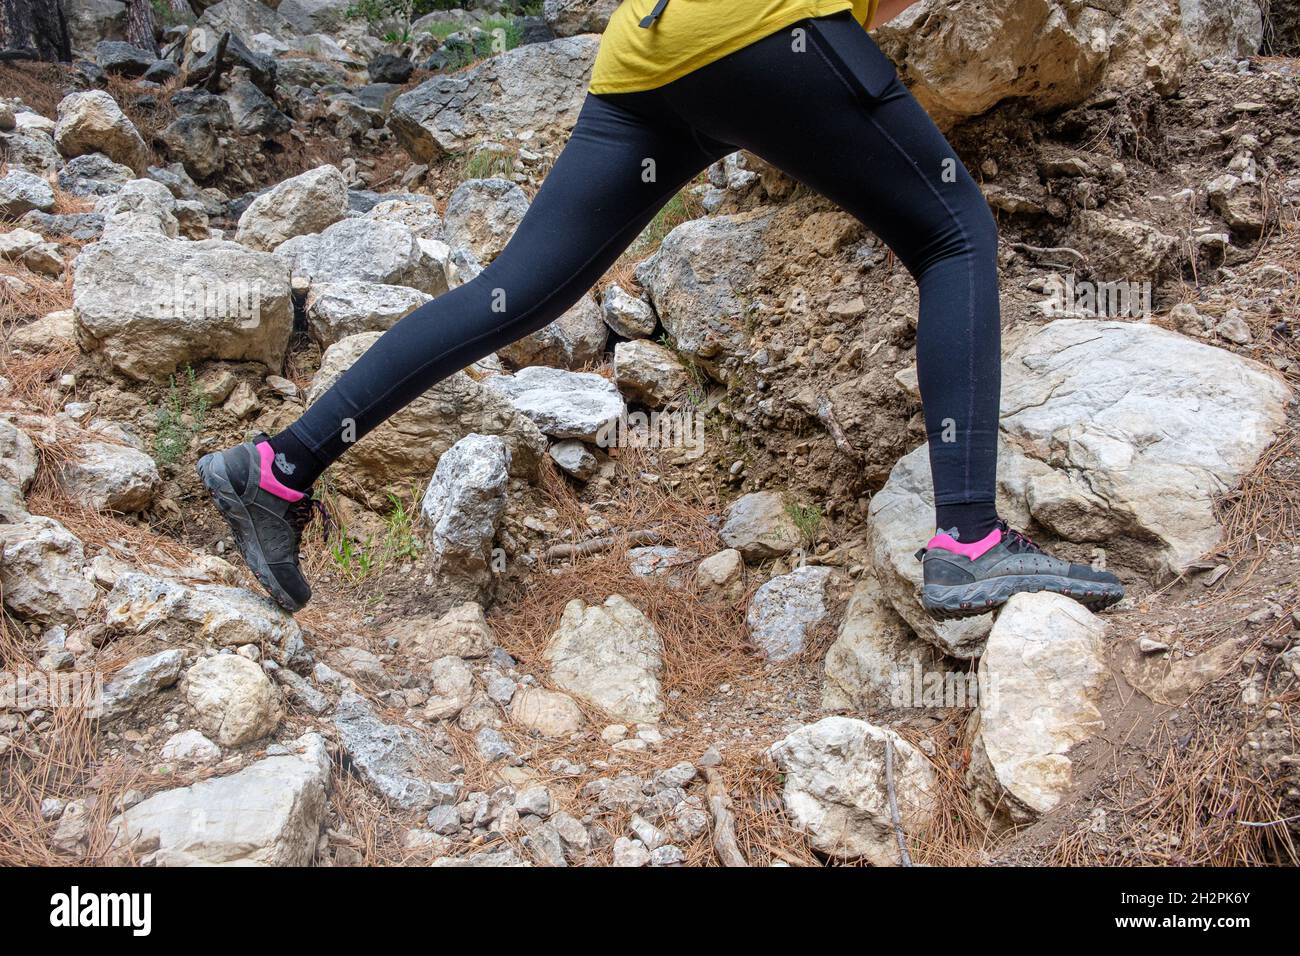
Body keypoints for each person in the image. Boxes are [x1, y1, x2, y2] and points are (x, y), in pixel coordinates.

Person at [198, 0, 1124, 617]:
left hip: (652, 49)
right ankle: (969, 540)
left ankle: (276, 467)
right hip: (766, 25)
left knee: (516, 292)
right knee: (954, 233)